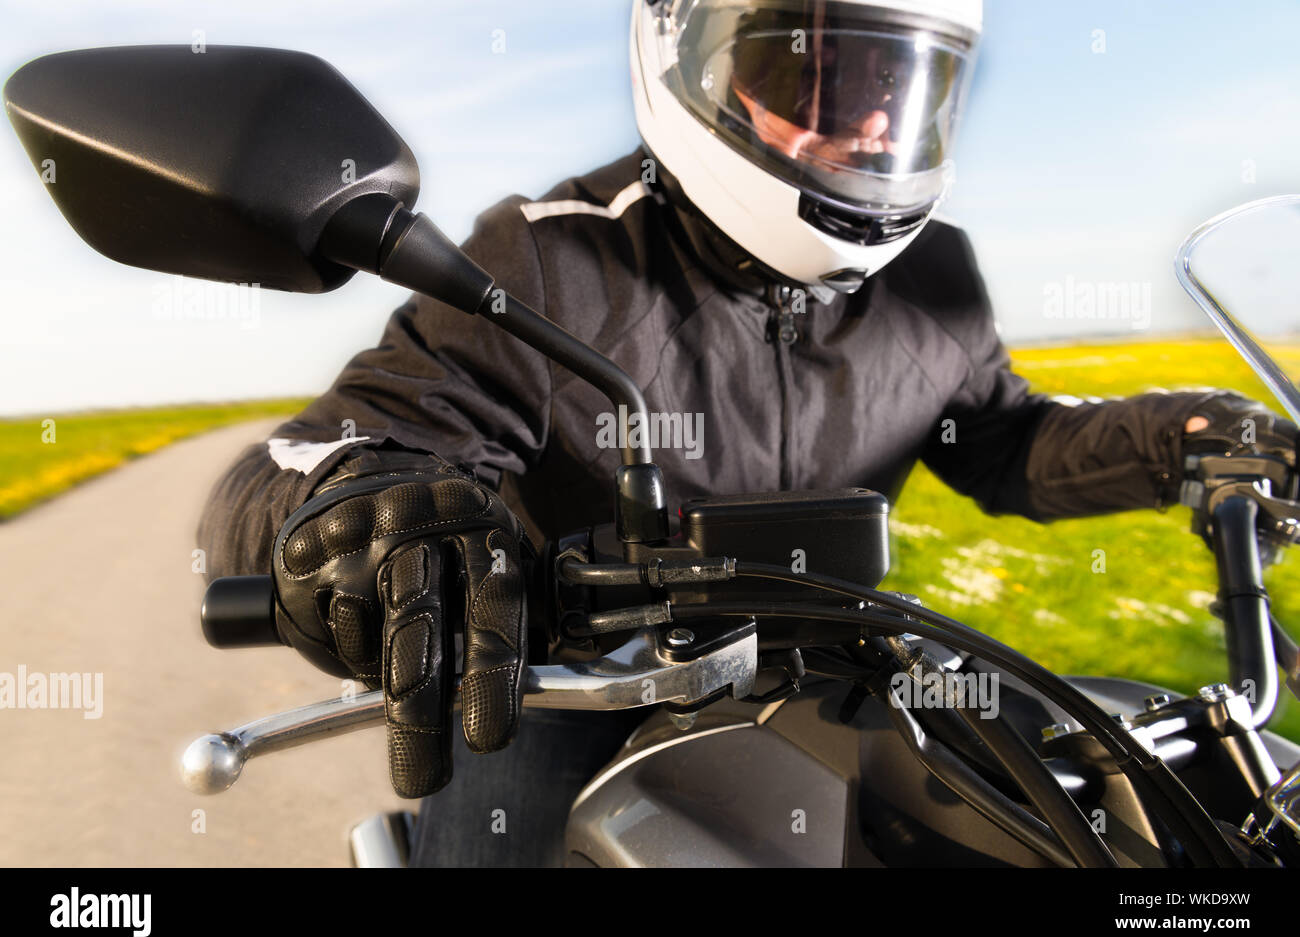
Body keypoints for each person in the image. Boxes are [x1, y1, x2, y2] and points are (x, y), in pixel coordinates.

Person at [197, 0, 1294, 865]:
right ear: (690, 61)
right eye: (805, 70)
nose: (866, 118)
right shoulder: (551, 262)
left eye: (897, 79)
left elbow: (1002, 443)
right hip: (581, 683)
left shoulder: (935, 275)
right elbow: (334, 447)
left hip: (851, 665)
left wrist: (1190, 437)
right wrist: (363, 512)